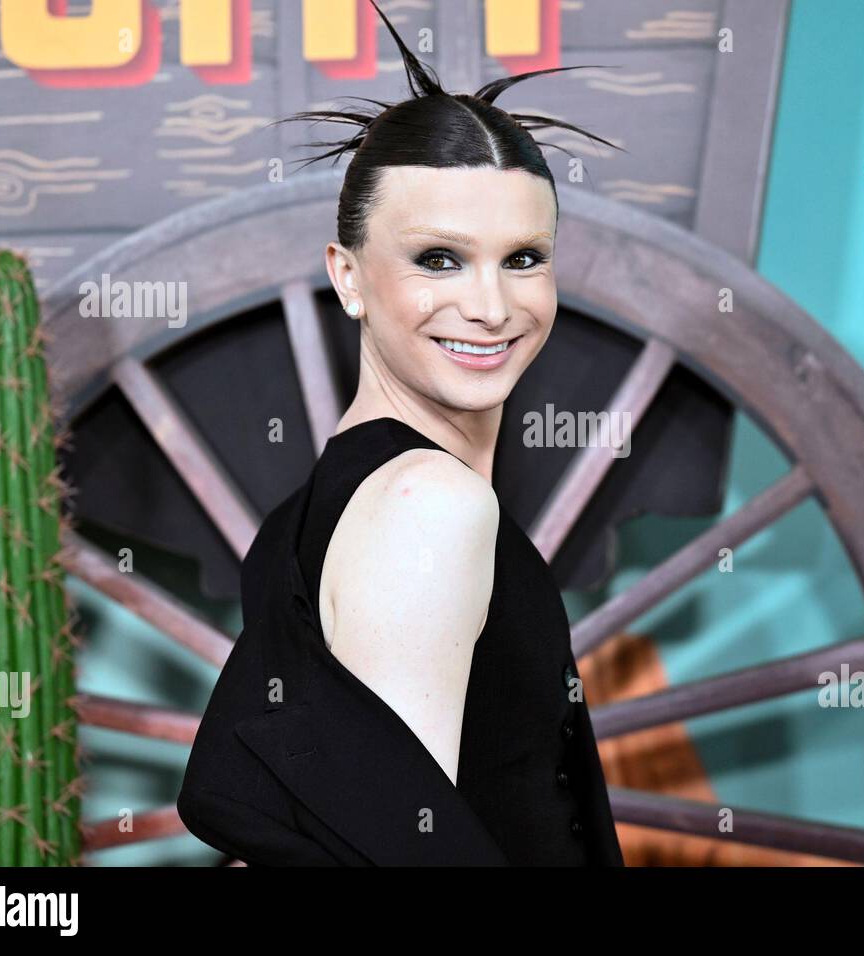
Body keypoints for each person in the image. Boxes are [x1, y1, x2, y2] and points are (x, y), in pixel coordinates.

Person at [176, 0, 626, 866]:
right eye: (438, 259)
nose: (492, 307)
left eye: (524, 258)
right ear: (347, 276)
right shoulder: (429, 506)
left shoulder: (315, 513)